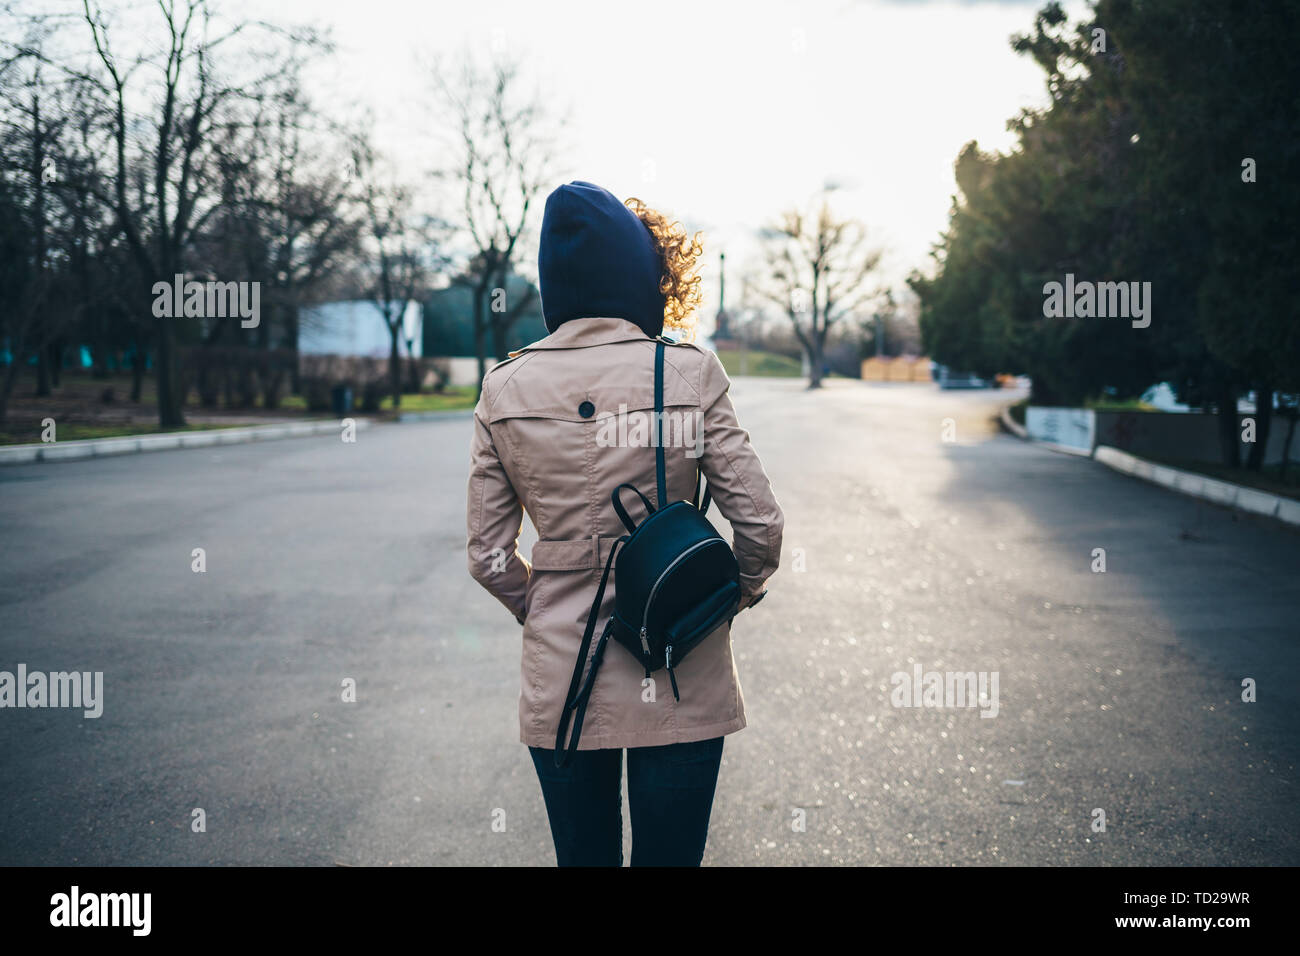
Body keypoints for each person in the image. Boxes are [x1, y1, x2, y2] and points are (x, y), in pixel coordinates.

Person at [466, 180, 784, 866]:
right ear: (641, 275)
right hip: (680, 664)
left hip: (563, 680)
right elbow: (760, 526)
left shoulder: (504, 387)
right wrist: (730, 598)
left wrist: (544, 604)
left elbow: (487, 556)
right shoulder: (690, 371)